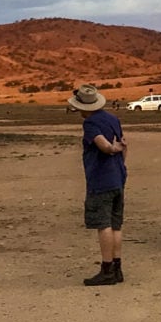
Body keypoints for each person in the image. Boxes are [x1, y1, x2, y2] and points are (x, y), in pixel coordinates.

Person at [68, 83, 126, 286]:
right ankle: (117, 268)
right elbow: (124, 144)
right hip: (118, 177)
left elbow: (102, 144)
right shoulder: (113, 119)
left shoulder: (90, 124)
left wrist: (110, 149)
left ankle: (107, 269)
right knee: (116, 224)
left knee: (104, 225)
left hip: (101, 179)